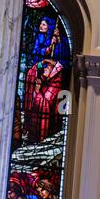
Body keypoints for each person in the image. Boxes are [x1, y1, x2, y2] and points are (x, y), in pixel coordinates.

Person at [22, 15, 70, 143]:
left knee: (49, 102)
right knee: (34, 99)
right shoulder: (40, 38)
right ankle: (32, 130)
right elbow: (36, 52)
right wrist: (48, 49)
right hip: (40, 73)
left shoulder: (58, 38)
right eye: (41, 24)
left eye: (44, 24)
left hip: (52, 77)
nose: (41, 26)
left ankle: (49, 132)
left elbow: (62, 56)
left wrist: (58, 39)